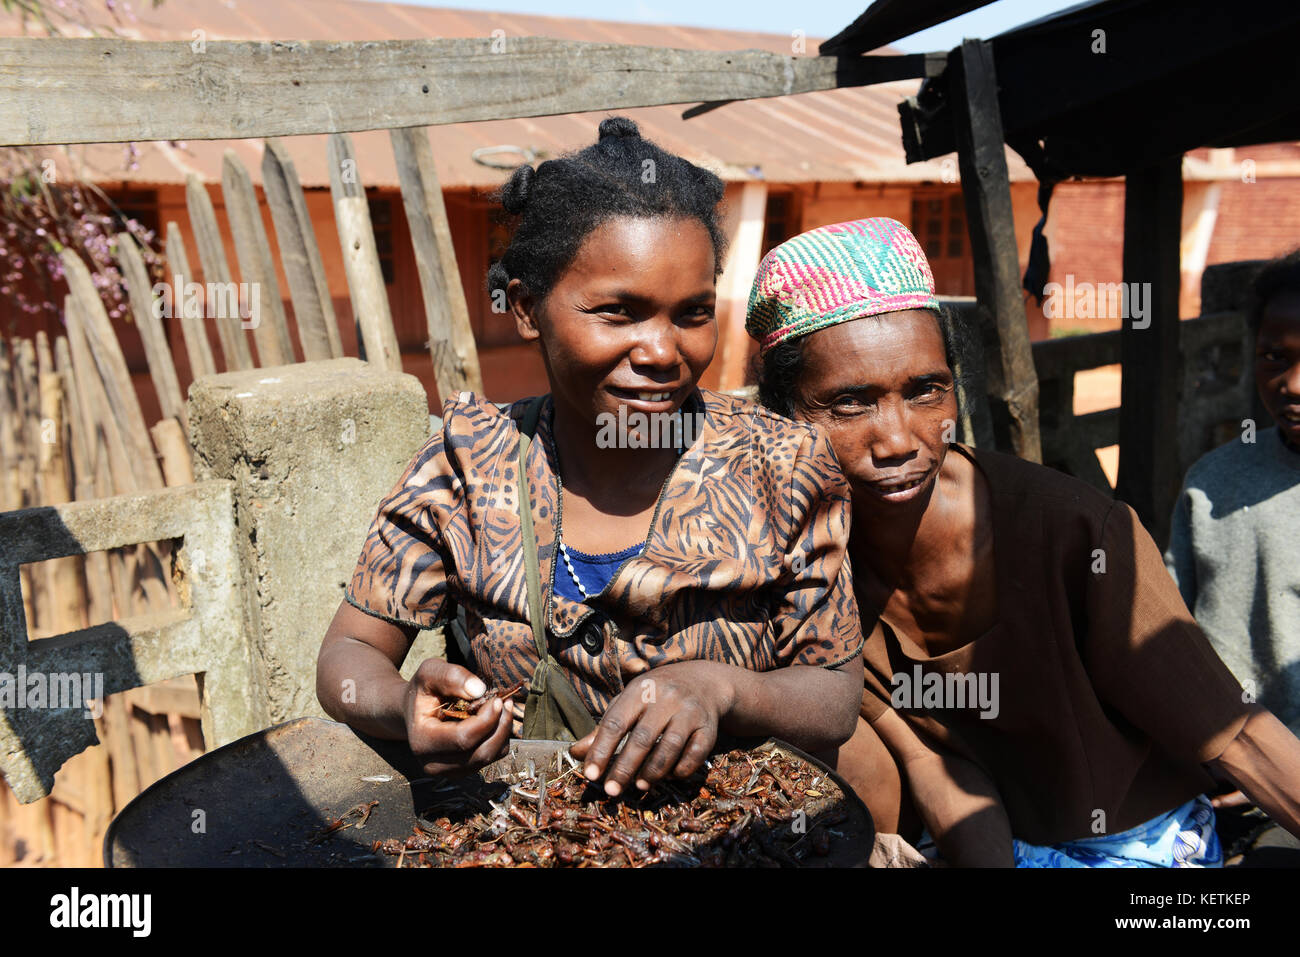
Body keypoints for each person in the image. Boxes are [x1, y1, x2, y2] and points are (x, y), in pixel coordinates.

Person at [316, 118, 863, 801]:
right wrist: (403, 705)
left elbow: (836, 693)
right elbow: (349, 656)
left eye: (692, 312)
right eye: (619, 312)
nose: (663, 350)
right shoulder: (467, 464)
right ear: (525, 308)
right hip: (528, 840)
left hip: (733, 840)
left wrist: (719, 687)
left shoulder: (780, 466)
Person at [748, 217, 1300, 867]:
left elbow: (1235, 735)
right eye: (849, 402)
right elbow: (937, 761)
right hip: (988, 840)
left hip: (1136, 845)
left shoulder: (1075, 534)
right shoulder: (806, 565)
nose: (898, 438)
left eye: (926, 390)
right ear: (783, 413)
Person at [1165, 250, 1300, 739]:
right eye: (1274, 357)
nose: (1292, 385)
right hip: (1212, 758)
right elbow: (1169, 625)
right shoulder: (1213, 479)